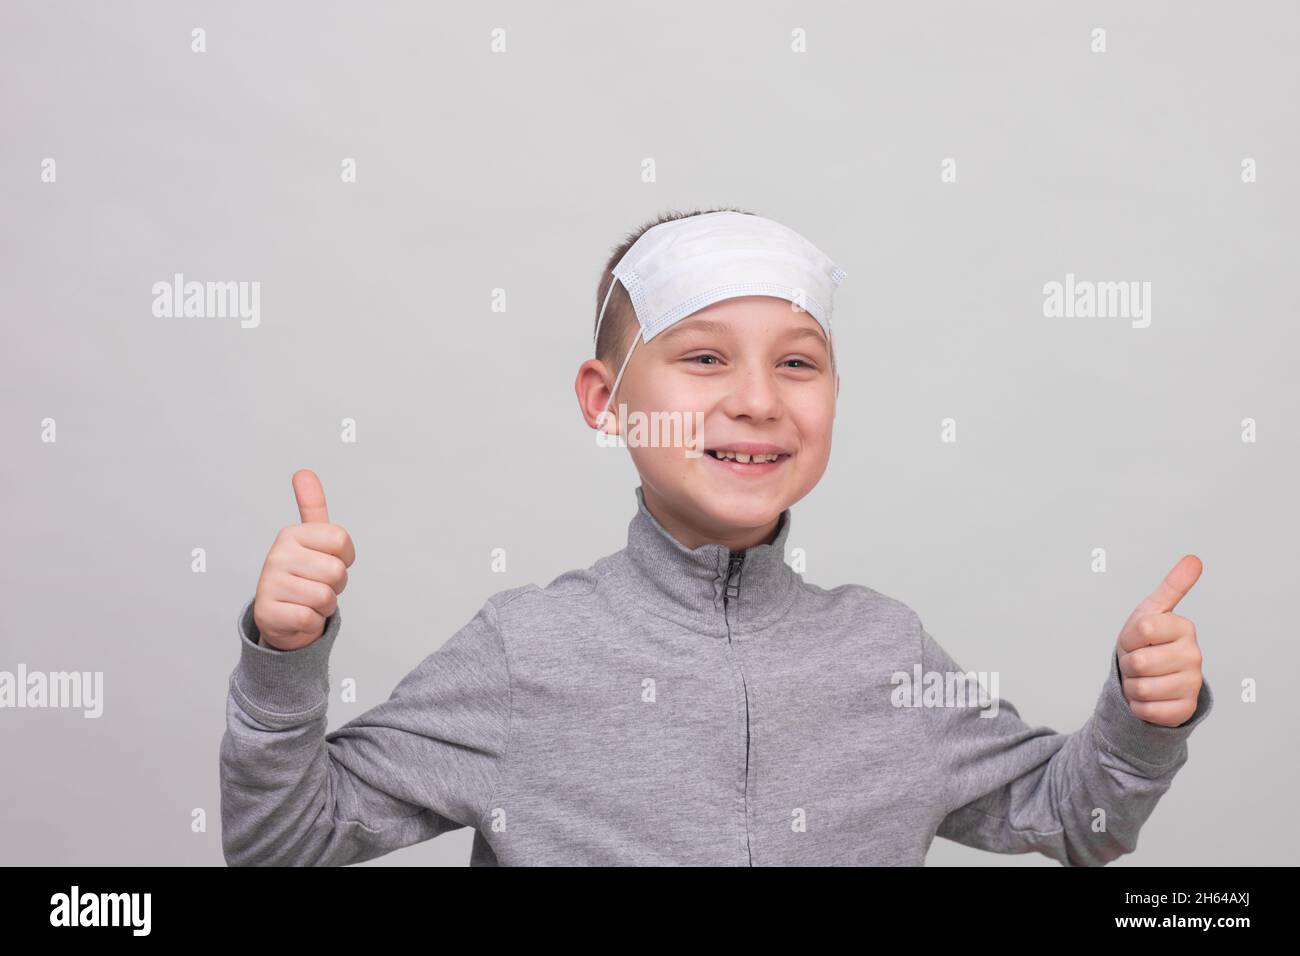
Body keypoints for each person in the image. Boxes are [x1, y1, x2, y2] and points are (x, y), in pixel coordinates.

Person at [220, 208, 1212, 866]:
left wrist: (1140, 711)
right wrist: (285, 657)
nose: (754, 399)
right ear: (606, 402)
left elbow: (1075, 816)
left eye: (796, 362)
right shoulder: (526, 653)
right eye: (702, 356)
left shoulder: (885, 651)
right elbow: (279, 838)